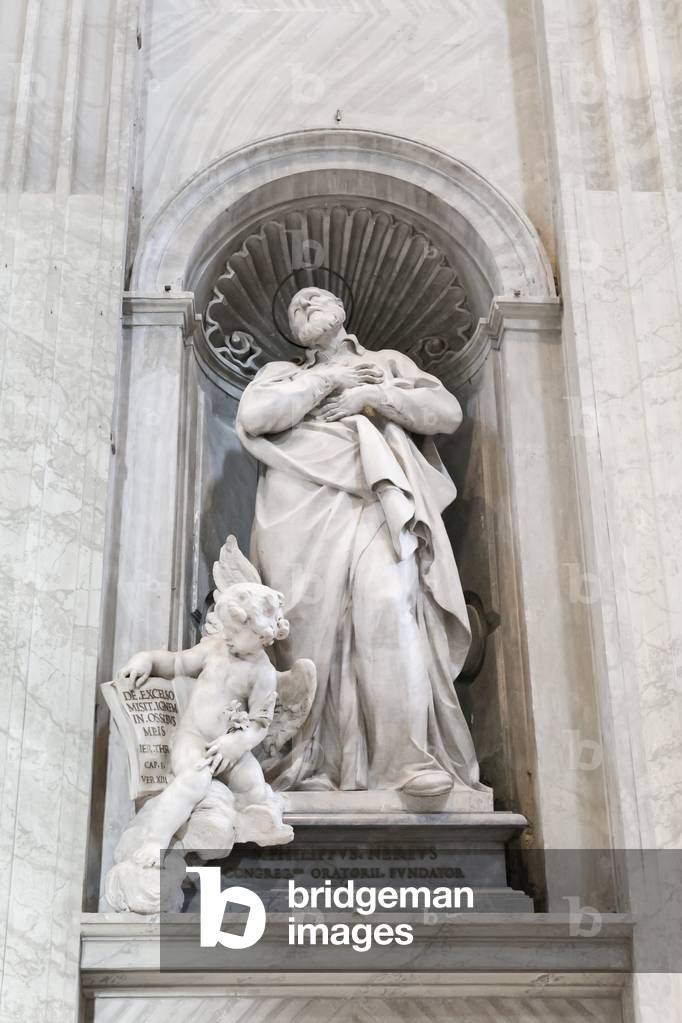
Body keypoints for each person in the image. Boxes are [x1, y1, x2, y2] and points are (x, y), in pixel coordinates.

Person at [236, 286, 484, 797]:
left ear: (342, 311)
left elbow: (446, 412)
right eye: (296, 303)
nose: (304, 301)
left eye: (316, 296)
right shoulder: (282, 375)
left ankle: (405, 763)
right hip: (298, 516)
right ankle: (311, 768)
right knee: (302, 636)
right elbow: (256, 417)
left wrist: (372, 396)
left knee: (389, 607)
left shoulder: (387, 364)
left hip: (376, 501)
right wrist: (328, 379)